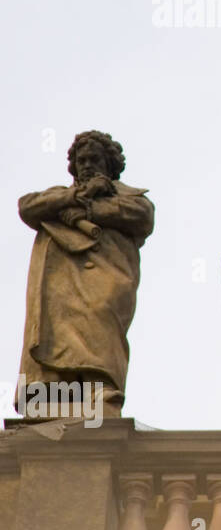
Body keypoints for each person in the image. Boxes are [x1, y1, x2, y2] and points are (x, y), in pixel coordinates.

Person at [17, 131, 154, 417]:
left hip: (107, 273)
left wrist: (87, 209)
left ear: (110, 164)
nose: (87, 165)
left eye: (95, 159)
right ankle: (53, 393)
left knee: (100, 317)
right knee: (57, 328)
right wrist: (75, 197)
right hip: (60, 279)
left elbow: (142, 216)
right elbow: (27, 206)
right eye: (82, 160)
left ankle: (99, 387)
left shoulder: (131, 198)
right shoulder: (58, 196)